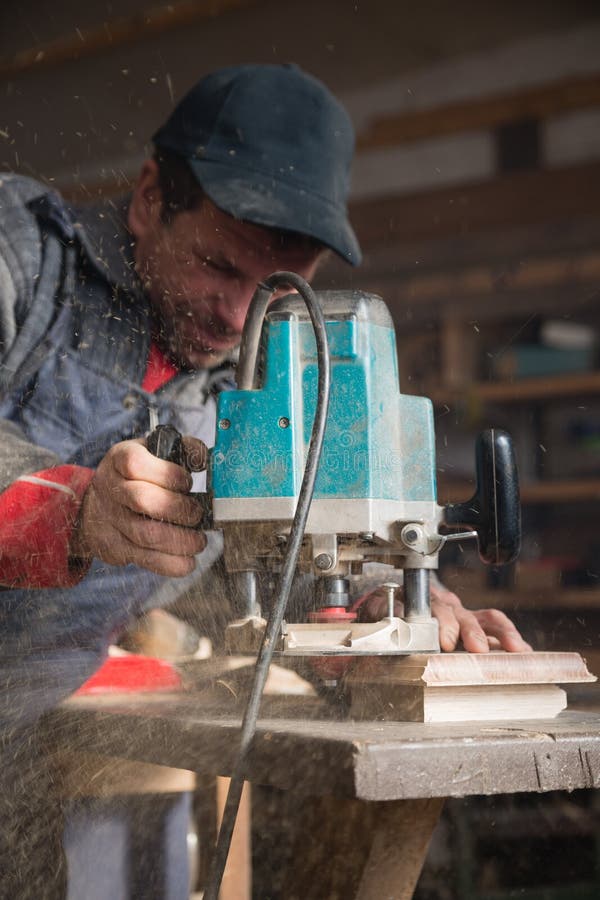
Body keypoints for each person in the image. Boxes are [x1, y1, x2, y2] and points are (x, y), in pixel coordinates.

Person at [0, 63, 530, 896]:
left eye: (280, 286)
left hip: (42, 715)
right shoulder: (22, 254)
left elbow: (241, 568)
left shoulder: (249, 378)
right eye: (219, 265)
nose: (243, 315)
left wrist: (362, 603)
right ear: (149, 197)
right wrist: (71, 511)